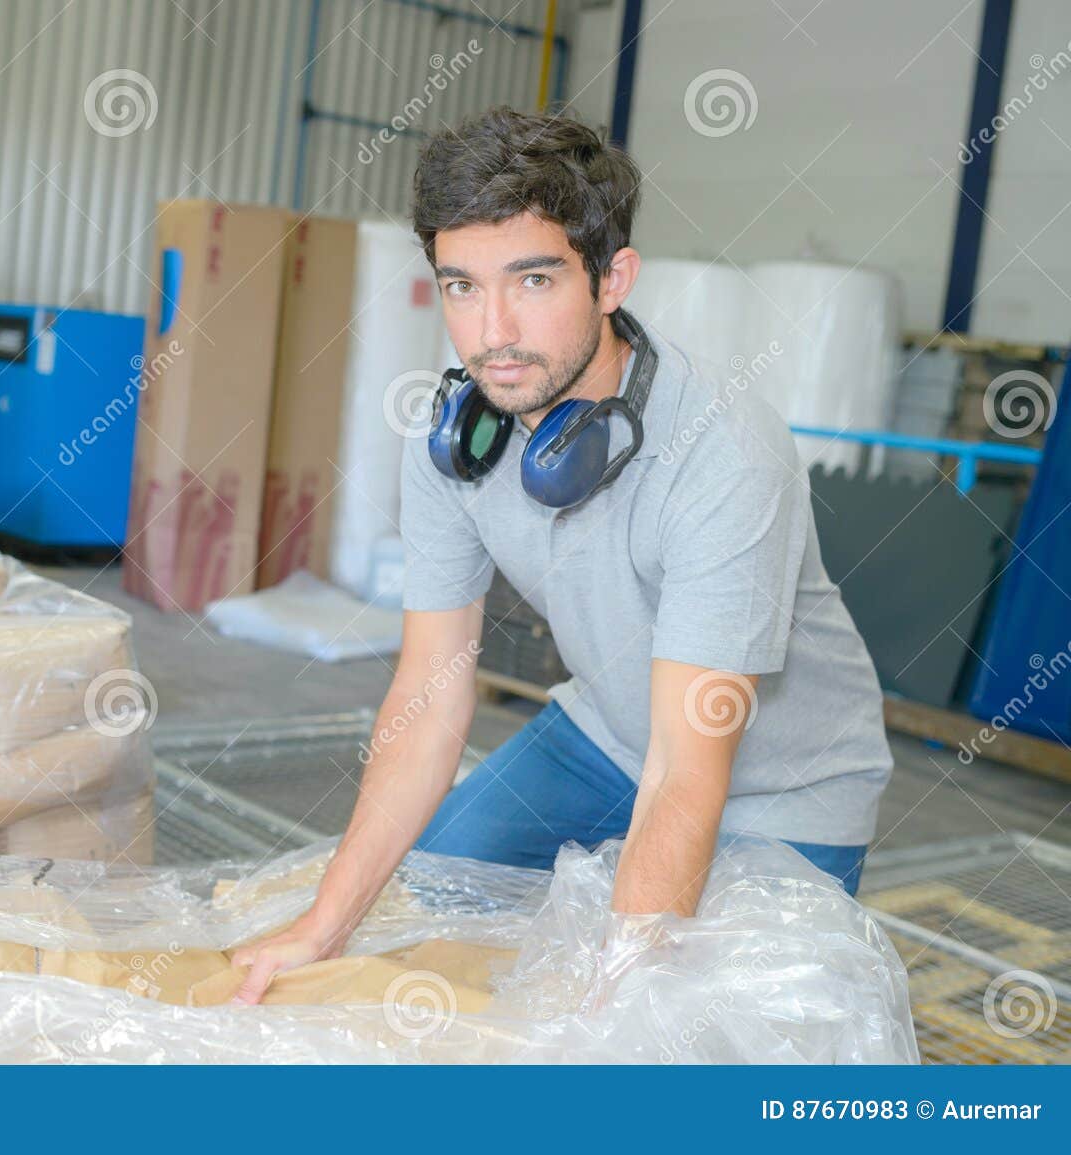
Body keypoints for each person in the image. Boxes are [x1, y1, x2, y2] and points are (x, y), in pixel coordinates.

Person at [231, 107, 892, 1005]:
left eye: (532, 279)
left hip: (784, 784)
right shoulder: (454, 445)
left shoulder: (723, 452)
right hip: (608, 735)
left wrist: (614, 1006)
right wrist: (322, 924)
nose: (492, 330)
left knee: (703, 1031)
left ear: (613, 277)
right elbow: (428, 696)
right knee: (437, 906)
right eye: (461, 286)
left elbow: (686, 771)